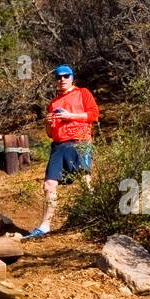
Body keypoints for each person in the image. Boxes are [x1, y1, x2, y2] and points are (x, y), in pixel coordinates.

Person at [24, 65, 100, 239]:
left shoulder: (83, 93)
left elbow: (93, 115)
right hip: (59, 146)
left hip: (80, 142)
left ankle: (96, 219)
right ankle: (45, 226)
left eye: (66, 76)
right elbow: (50, 134)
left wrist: (70, 116)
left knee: (85, 182)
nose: (62, 79)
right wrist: (47, 123)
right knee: (49, 185)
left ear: (72, 77)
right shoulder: (53, 103)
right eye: (58, 77)